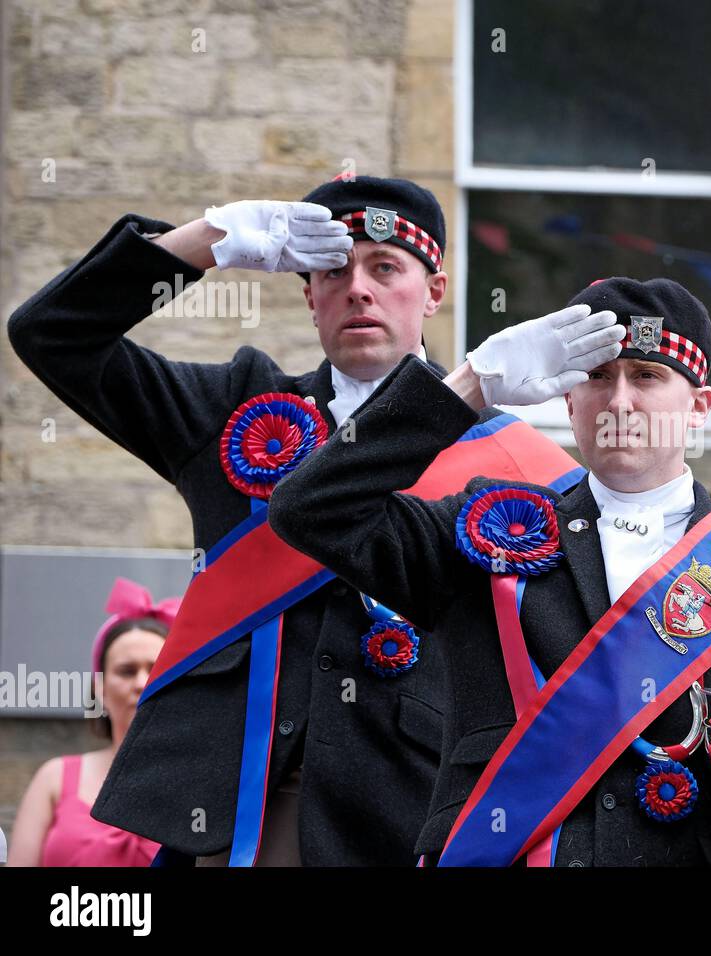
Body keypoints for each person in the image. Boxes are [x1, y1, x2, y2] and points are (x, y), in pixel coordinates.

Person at [7, 175, 578, 866]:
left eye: (386, 267)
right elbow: (53, 334)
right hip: (234, 817)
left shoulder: (509, 463)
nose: (358, 289)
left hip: (408, 817)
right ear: (309, 295)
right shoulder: (237, 409)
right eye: (333, 271)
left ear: (434, 291)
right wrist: (208, 242)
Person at [268, 277, 711, 866]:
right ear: (569, 402)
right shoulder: (486, 528)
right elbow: (311, 511)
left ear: (699, 408)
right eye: (598, 378)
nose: (619, 400)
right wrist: (465, 388)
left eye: (647, 376)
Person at [8, 579, 174, 866]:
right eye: (126, 671)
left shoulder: (201, 781)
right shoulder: (54, 778)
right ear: (100, 689)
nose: (141, 682)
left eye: (156, 669)